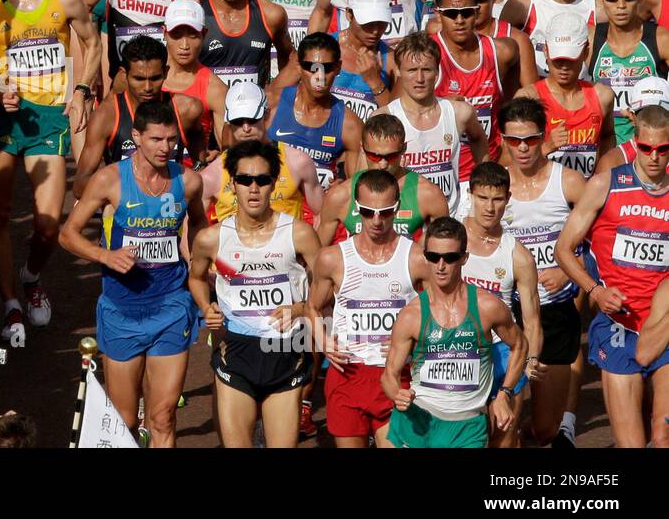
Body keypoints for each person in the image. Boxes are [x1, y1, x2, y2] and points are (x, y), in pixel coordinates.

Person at [0, 0, 101, 342]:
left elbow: (91, 41)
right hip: (3, 121)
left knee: (47, 224)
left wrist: (80, 89)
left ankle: (31, 276)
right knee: (3, 216)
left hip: (47, 119)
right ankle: (10, 306)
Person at [60, 100, 207, 448]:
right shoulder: (110, 179)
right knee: (125, 421)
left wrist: (198, 260)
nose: (165, 147)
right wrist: (106, 256)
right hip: (121, 309)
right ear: (137, 137)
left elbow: (199, 222)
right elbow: (68, 234)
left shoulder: (187, 181)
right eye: (156, 139)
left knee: (163, 417)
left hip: (171, 306)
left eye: (171, 140)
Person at [188, 139, 321, 447]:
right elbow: (195, 278)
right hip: (236, 351)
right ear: (232, 184)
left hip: (286, 352)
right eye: (244, 179)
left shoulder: (299, 233)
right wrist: (206, 306)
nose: (253, 188)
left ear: (273, 183)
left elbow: (325, 284)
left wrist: (301, 308)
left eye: (262, 180)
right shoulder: (212, 239)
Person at [556, 103, 669, 448]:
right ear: (635, 142)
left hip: (662, 321)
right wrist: (594, 291)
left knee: (663, 436)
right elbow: (565, 248)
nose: (653, 157)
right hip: (618, 323)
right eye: (646, 147)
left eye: (663, 149)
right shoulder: (607, 184)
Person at [383, 217, 526, 448]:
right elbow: (389, 373)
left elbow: (519, 344)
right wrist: (396, 394)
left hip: (467, 427)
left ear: (464, 258)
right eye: (433, 257)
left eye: (449, 258)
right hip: (418, 420)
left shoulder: (487, 307)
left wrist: (504, 393)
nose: (440, 266)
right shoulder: (411, 315)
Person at [308, 169, 425, 447]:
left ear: (397, 208)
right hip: (347, 375)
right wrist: (324, 342)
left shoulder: (417, 257)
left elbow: (438, 311)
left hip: (396, 374)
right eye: (367, 211)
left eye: (385, 212)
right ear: (355, 208)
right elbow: (312, 307)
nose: (376, 220)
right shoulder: (332, 258)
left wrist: (416, 343)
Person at [497, 97, 587, 446]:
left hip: (555, 310)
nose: (523, 148)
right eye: (514, 140)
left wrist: (571, 271)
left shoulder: (569, 182)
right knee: (506, 419)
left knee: (547, 429)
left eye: (531, 140)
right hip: (509, 313)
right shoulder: (493, 187)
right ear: (503, 139)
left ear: (543, 136)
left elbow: (600, 240)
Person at [459, 162, 542, 448]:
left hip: (504, 353)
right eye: (483, 198)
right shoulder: (449, 240)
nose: (489, 207)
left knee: (503, 439)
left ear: (508, 199)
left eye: (497, 199)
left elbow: (531, 320)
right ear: (470, 195)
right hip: (459, 349)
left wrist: (529, 362)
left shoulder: (519, 255)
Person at [428, 0, 527, 195]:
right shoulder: (427, 54)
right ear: (438, 14)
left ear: (476, 11)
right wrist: (439, 106)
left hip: (486, 175)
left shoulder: (502, 52)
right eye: (452, 13)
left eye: (466, 12)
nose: (460, 20)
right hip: (440, 177)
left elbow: (513, 106)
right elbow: (400, 110)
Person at [73, 35, 205, 197]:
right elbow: (80, 185)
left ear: (166, 72)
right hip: (124, 209)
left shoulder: (187, 110)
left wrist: (201, 170)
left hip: (170, 208)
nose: (148, 87)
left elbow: (201, 164)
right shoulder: (107, 116)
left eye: (155, 78)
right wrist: (132, 186)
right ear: (124, 74)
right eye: (139, 79)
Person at [385, 31, 488, 213]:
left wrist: (482, 181)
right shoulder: (384, 117)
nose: (419, 79)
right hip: (406, 223)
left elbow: (479, 138)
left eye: (426, 69)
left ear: (437, 71)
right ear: (399, 72)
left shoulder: (459, 112)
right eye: (411, 70)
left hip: (450, 221)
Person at [315, 113, 448, 243]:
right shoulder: (340, 195)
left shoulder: (428, 194)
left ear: (404, 149)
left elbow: (445, 250)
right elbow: (317, 255)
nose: (383, 164)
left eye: (390, 157)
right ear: (362, 148)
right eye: (375, 156)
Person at [201, 83, 323, 224]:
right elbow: (190, 233)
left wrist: (313, 245)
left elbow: (322, 215)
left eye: (252, 120)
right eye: (238, 121)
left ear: (266, 114)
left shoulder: (298, 162)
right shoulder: (211, 175)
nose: (246, 128)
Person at [517, 12, 615, 178]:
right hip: (545, 198)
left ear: (586, 51)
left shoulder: (603, 96)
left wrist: (600, 178)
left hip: (587, 196)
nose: (563, 66)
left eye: (570, 59)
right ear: (546, 51)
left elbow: (607, 137)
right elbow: (508, 159)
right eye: (557, 59)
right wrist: (547, 147)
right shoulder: (528, 98)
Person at [264, 32, 362, 190]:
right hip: (274, 208)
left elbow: (357, 190)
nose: (319, 77)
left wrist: (343, 187)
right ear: (298, 66)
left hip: (317, 211)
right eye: (312, 68)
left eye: (327, 68)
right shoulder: (270, 104)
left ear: (338, 68)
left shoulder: (349, 125)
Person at [588, 0, 669, 145]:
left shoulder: (662, 39)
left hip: (650, 146)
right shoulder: (590, 39)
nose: (621, 4)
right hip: (603, 145)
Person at [160, 0, 228, 147]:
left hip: (195, 168)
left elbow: (228, 151)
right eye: (177, 35)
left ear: (204, 34)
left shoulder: (215, 89)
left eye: (192, 35)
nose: (184, 45)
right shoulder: (146, 79)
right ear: (164, 33)